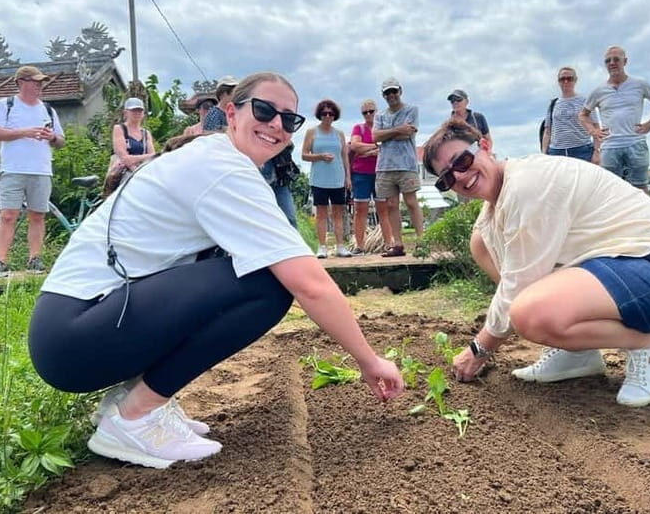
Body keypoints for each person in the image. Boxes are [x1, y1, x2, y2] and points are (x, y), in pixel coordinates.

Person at [28, 72, 404, 469]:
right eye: (264, 110)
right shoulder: (224, 169)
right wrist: (369, 360)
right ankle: (136, 416)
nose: (276, 124)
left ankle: (128, 403)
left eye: (289, 120)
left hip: (76, 328)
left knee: (233, 267)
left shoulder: (212, 159)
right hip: (75, 335)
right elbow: (309, 282)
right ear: (232, 113)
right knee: (268, 286)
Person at [423, 119, 650, 407]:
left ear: (485, 146)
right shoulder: (495, 209)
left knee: (529, 313)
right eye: (446, 179)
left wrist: (479, 348)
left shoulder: (527, 184)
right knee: (481, 242)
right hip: (619, 265)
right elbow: (513, 275)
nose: (459, 177)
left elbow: (518, 284)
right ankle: (577, 353)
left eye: (462, 161)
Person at [0, 65, 65, 278]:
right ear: (21, 83)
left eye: (40, 82)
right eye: (35, 82)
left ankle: (35, 259)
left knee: (37, 215)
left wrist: (51, 137)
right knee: (8, 215)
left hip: (41, 170)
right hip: (13, 169)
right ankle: (0, 261)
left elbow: (61, 140)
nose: (39, 86)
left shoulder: (48, 109)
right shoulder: (6, 105)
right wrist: (23, 132)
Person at [578, 45, 650, 191]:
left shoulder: (640, 84)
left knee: (640, 186)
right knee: (610, 188)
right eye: (608, 61)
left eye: (616, 59)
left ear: (624, 61)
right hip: (609, 146)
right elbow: (583, 115)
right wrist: (593, 131)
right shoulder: (598, 91)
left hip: (635, 143)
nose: (612, 63)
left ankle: (644, 214)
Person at [373, 77, 423, 257]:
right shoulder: (379, 115)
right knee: (391, 204)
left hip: (406, 164)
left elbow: (408, 133)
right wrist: (397, 130)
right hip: (385, 165)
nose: (391, 95)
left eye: (394, 91)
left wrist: (387, 134)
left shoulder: (412, 110)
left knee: (411, 202)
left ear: (400, 91)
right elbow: (375, 137)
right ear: (383, 95)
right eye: (388, 92)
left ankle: (421, 241)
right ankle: (398, 244)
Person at [302, 99, 352, 258]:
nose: (327, 116)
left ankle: (340, 246)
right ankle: (322, 247)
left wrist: (348, 177)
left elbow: (344, 157)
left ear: (334, 115)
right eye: (324, 113)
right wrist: (320, 156)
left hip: (337, 179)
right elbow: (304, 155)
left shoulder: (339, 134)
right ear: (320, 115)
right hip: (319, 180)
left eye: (331, 113)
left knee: (338, 213)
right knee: (321, 214)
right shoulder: (312, 132)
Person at [349, 99, 390, 254]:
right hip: (361, 174)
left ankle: (388, 244)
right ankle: (360, 246)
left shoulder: (383, 128)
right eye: (365, 112)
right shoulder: (358, 128)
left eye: (371, 111)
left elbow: (388, 146)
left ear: (376, 111)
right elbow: (354, 145)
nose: (368, 115)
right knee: (360, 210)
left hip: (380, 173)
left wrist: (364, 151)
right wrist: (376, 147)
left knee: (383, 210)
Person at [541, 67, 599, 163]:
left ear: (575, 80)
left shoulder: (585, 101)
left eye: (569, 78)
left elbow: (596, 127)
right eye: (562, 79)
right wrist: (543, 154)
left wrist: (597, 152)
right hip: (556, 153)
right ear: (558, 81)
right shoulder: (553, 104)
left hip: (582, 152)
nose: (566, 81)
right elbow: (547, 131)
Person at [259, 143, 299, 227]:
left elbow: (290, 146)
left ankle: (290, 239)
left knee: (290, 219)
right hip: (260, 179)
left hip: (281, 181)